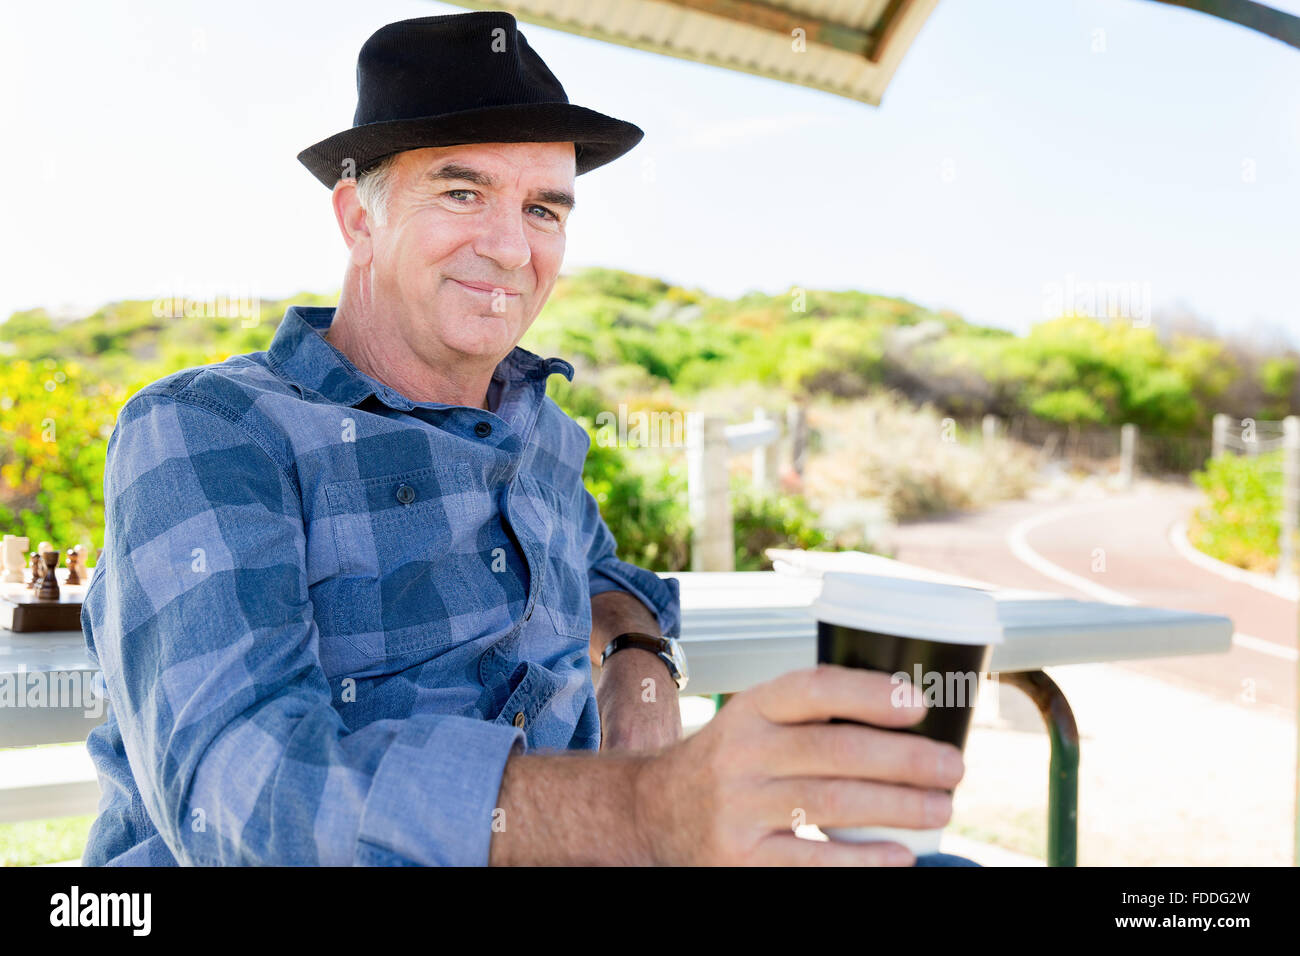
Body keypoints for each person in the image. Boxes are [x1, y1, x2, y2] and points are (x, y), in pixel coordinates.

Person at [79, 10, 978, 867]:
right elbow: (245, 794)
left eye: (544, 210)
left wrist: (638, 662)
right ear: (359, 219)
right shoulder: (207, 431)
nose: (511, 248)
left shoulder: (538, 431)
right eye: (462, 191)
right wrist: (648, 811)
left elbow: (599, 574)